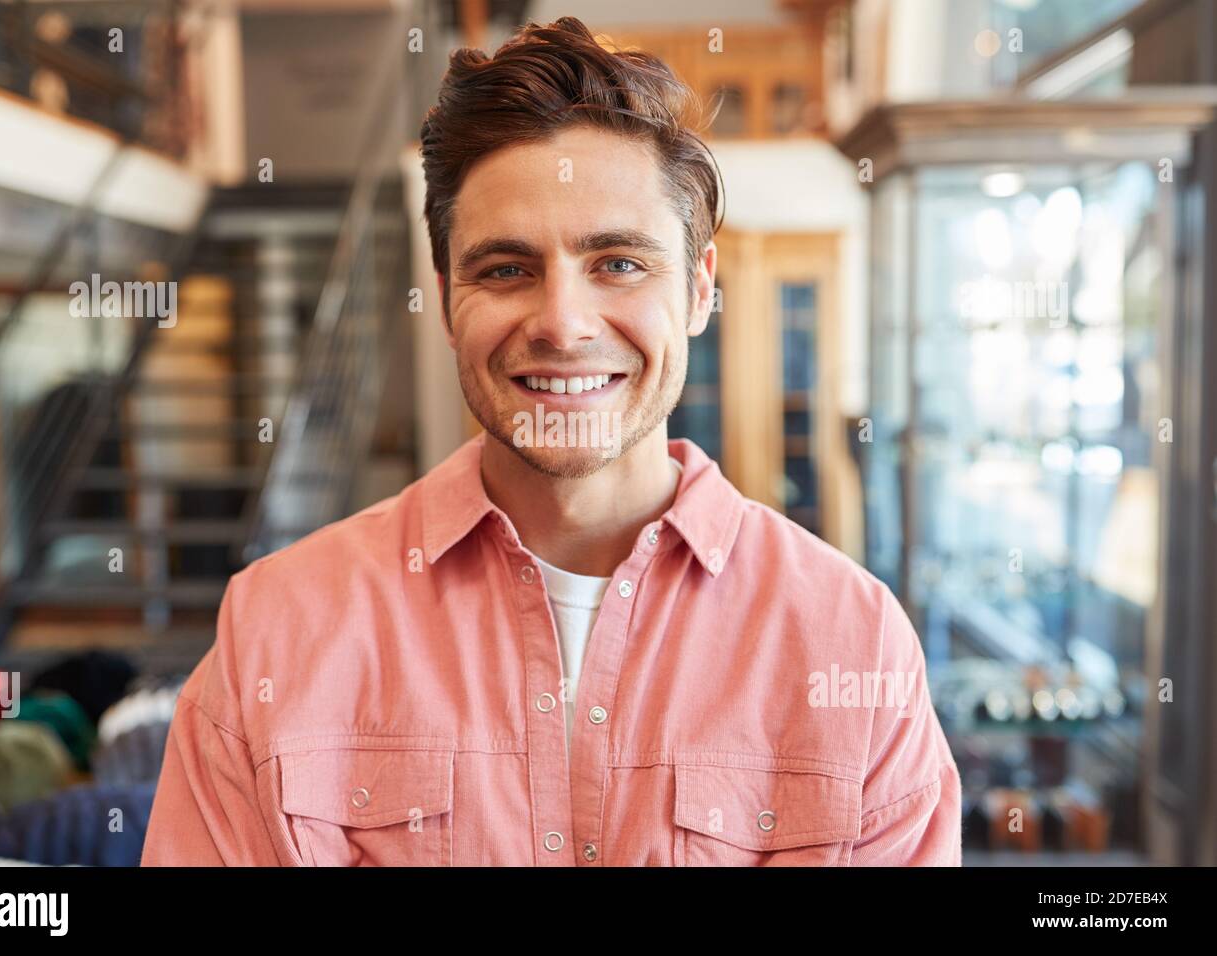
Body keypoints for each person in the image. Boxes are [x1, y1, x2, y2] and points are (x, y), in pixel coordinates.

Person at [142, 16, 960, 866]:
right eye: (506, 269)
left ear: (699, 289)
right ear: (447, 299)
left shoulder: (853, 646)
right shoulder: (277, 629)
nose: (563, 325)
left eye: (619, 263)